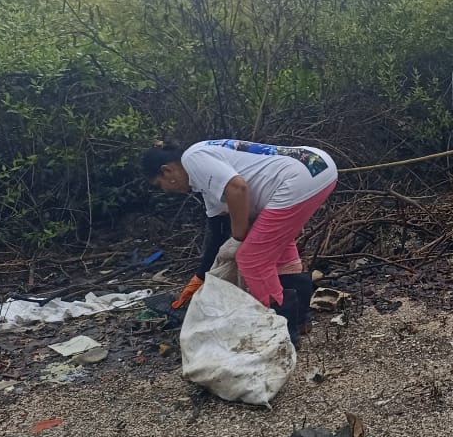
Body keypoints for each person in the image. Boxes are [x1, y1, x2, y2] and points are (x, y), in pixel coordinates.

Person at [141, 139, 337, 344]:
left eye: (159, 184)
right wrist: (199, 277)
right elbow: (217, 231)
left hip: (299, 179)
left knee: (252, 258)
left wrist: (239, 236)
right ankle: (300, 320)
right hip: (318, 165)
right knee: (275, 247)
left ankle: (283, 334)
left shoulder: (193, 159)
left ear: (166, 171)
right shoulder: (204, 175)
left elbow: (237, 188)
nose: (165, 190)